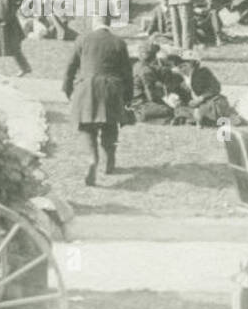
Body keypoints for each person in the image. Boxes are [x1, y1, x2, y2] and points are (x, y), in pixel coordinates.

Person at [62, 12, 134, 185]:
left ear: (95, 22)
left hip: (87, 87)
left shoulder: (82, 39)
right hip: (111, 88)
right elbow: (127, 73)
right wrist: (128, 98)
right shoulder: (119, 42)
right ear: (109, 24)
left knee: (87, 126)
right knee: (110, 125)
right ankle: (109, 160)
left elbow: (70, 67)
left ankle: (92, 159)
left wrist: (68, 90)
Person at [170, 49, 229, 127]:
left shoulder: (203, 72)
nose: (181, 68)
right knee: (179, 109)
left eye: (184, 65)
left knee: (215, 104)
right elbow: (182, 95)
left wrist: (201, 98)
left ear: (192, 64)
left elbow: (216, 88)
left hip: (208, 101)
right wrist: (178, 99)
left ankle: (198, 118)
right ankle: (197, 118)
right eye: (179, 66)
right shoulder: (180, 79)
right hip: (195, 106)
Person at [130, 40, 178, 124]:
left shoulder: (137, 65)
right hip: (140, 106)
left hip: (135, 102)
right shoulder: (146, 71)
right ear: (152, 56)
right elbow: (151, 96)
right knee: (170, 110)